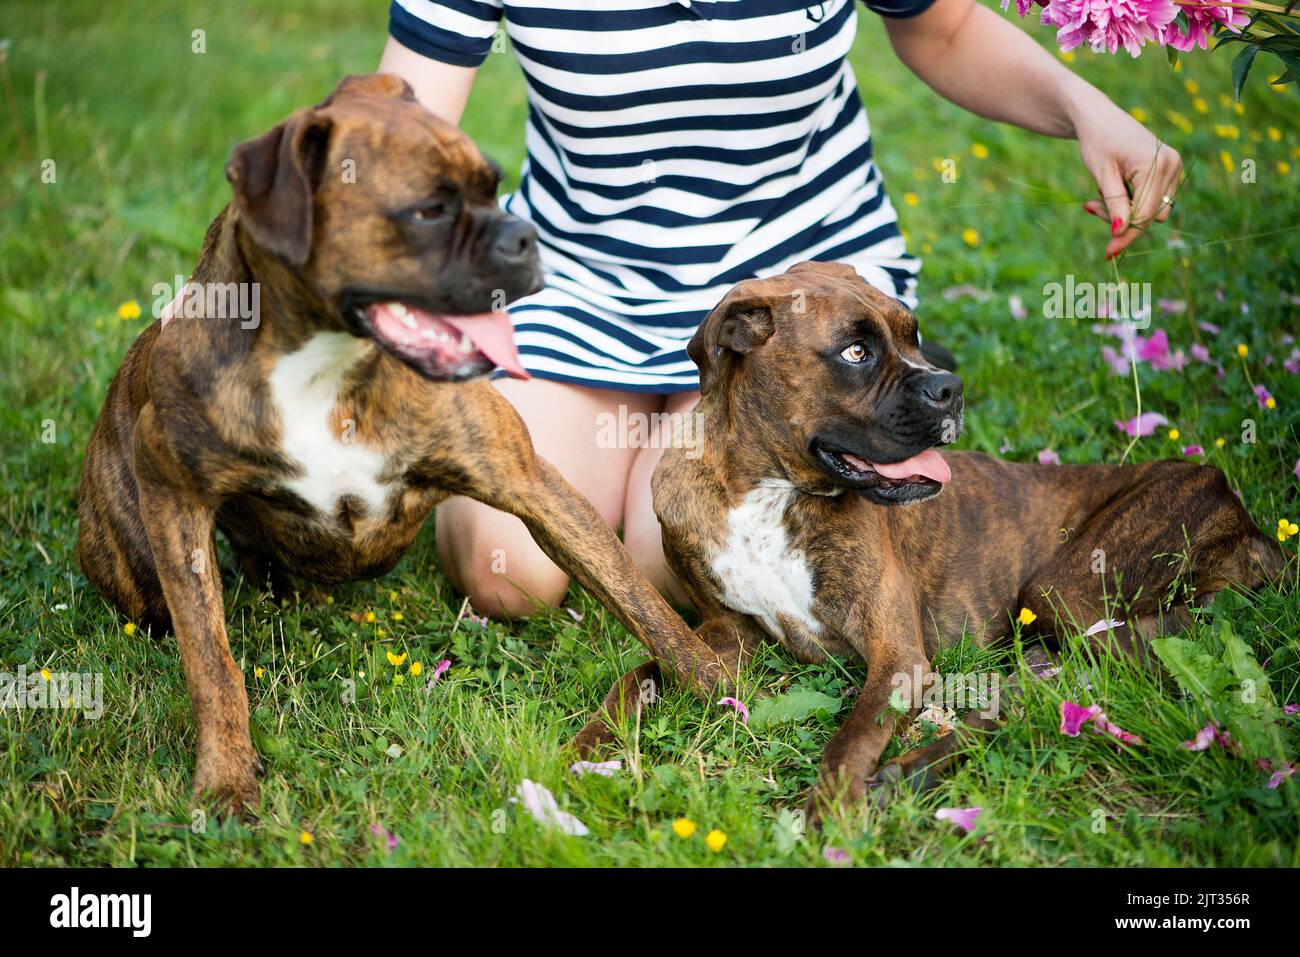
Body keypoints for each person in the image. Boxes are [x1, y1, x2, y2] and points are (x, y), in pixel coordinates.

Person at [378, 0, 1182, 617]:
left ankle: (816, 390)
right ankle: (638, 417)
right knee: (511, 572)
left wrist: (1084, 107)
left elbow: (945, 29)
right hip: (585, 280)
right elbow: (402, 124)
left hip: (800, 304)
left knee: (673, 556)